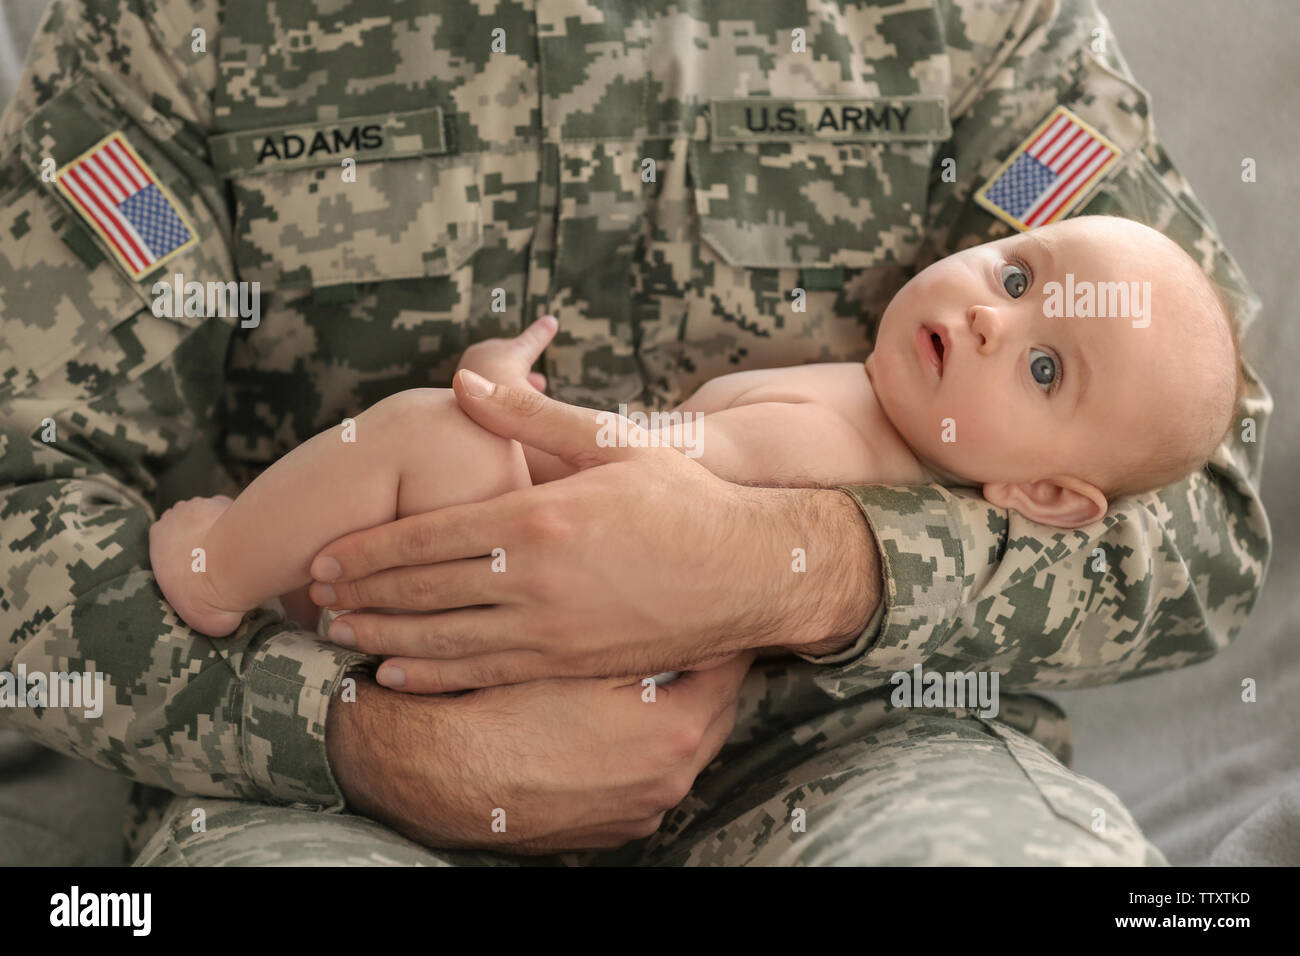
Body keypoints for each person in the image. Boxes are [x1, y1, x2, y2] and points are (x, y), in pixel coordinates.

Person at [0, 0, 1270, 866]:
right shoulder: (181, 26)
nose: (1000, 320)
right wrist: (349, 734)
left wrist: (797, 564)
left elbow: (1198, 508)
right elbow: (20, 485)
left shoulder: (980, 22)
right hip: (340, 748)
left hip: (843, 748)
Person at [149, 216, 1243, 648]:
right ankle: (289, 587)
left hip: (547, 607)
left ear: (1047, 496)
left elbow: (653, 461)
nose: (988, 316)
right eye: (1013, 273)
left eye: (1044, 366)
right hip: (555, 601)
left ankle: (213, 565)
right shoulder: (875, 411)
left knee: (426, 429)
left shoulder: (836, 448)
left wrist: (510, 400)